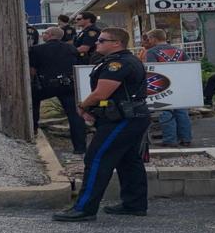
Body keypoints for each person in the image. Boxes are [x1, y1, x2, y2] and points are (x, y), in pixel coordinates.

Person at [53, 28, 151, 221]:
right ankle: (134, 204)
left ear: (116, 43)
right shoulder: (122, 60)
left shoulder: (117, 64)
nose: (97, 43)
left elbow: (101, 93)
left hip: (123, 119)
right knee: (129, 160)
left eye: (102, 40)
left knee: (96, 159)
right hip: (129, 117)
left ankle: (84, 209)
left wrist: (82, 106)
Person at [30, 25, 87, 155]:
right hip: (67, 85)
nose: (43, 35)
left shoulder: (36, 49)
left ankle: (32, 132)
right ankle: (80, 148)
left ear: (50, 35)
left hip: (45, 85)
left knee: (33, 104)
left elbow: (32, 71)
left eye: (44, 33)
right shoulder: (71, 48)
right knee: (75, 116)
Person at [140, 29, 193, 148]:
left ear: (154, 38)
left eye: (149, 39)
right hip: (180, 85)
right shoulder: (179, 51)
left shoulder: (152, 52)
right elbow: (188, 66)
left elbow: (153, 71)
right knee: (182, 112)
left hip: (163, 86)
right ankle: (186, 138)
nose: (148, 41)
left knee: (166, 111)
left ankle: (170, 140)